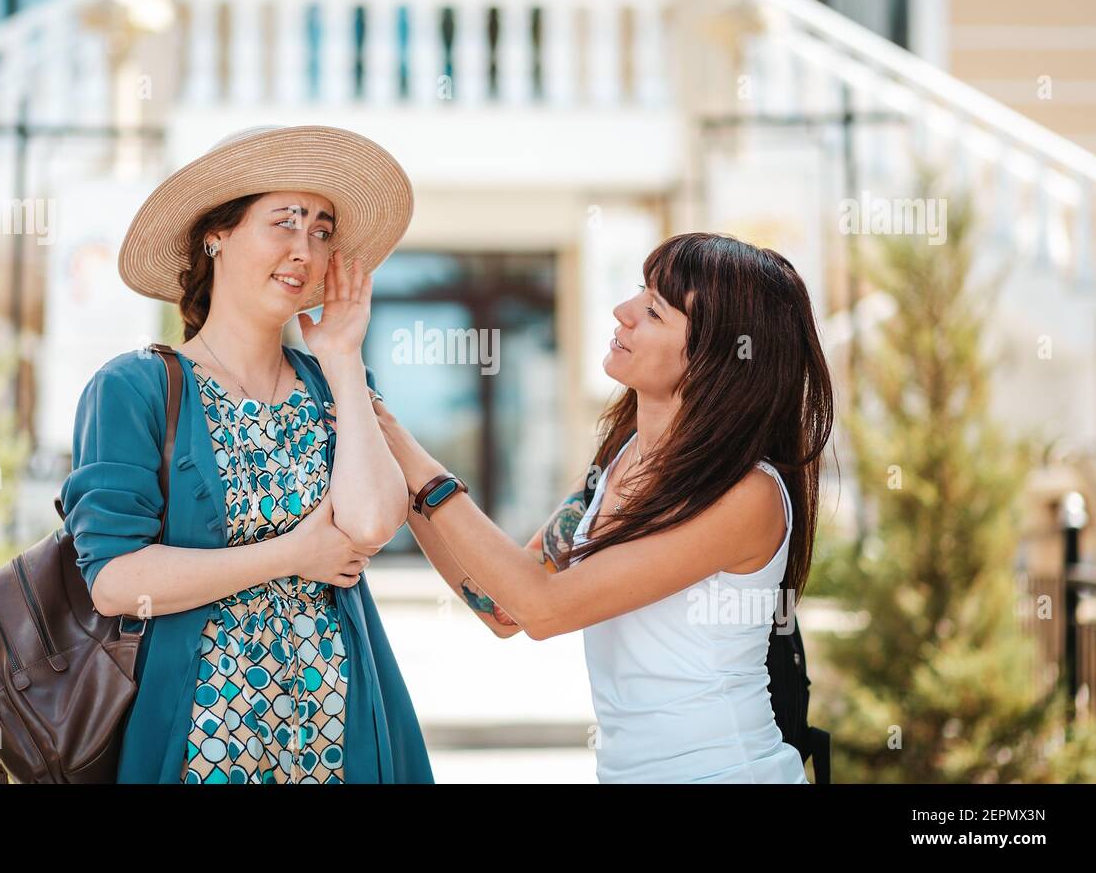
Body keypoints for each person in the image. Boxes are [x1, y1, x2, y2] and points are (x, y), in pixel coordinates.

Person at [365, 232, 833, 782]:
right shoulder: (620, 459)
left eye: (655, 311)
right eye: (641, 292)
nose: (623, 311)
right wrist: (392, 465)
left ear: (716, 359)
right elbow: (503, 606)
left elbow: (544, 607)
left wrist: (398, 440)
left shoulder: (745, 494)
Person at [60, 123, 433, 783]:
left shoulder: (332, 384)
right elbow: (116, 582)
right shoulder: (134, 389)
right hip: (199, 741)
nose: (304, 249)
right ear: (217, 235)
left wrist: (344, 358)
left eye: (321, 230)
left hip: (335, 737)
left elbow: (374, 523)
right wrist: (293, 554)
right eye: (283, 222)